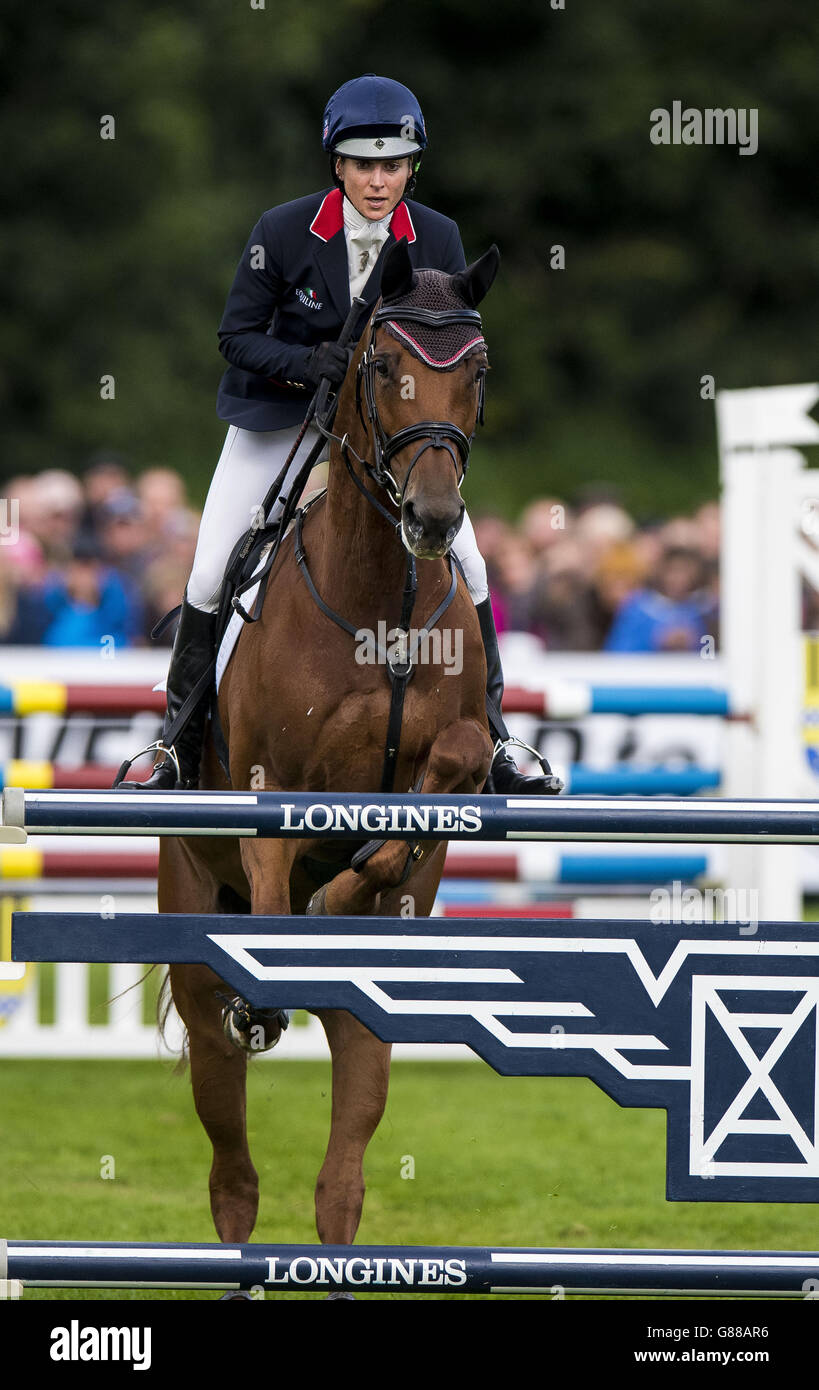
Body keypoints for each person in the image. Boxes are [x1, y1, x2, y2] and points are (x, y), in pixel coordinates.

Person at [132, 74, 559, 795]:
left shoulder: (440, 237)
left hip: (388, 436)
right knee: (208, 574)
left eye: (392, 165)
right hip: (282, 421)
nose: (377, 179)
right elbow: (235, 336)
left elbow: (448, 341)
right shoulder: (283, 231)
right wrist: (307, 364)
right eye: (363, 164)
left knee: (474, 566)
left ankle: (497, 740)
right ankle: (178, 743)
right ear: (338, 165)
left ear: (410, 168)